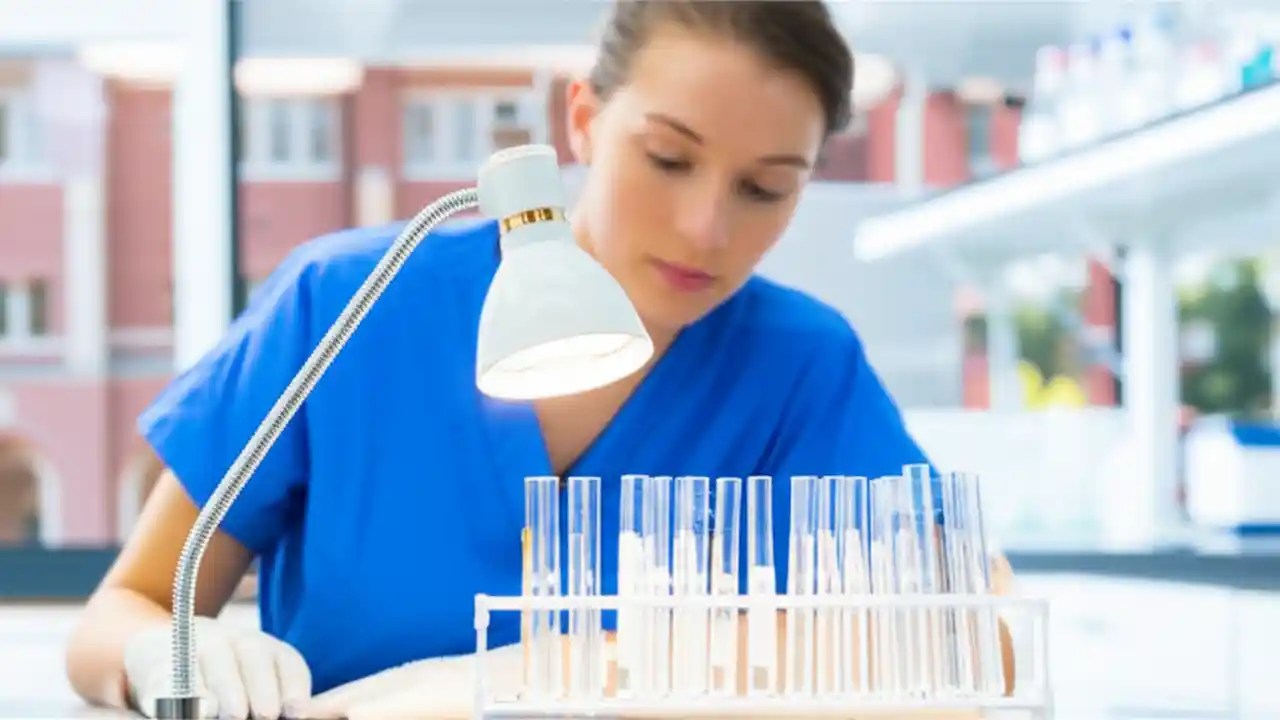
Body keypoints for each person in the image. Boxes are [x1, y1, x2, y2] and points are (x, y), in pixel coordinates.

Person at [65, 2, 1015, 718]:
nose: (706, 227)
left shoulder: (798, 368)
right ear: (584, 120)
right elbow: (123, 611)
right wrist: (165, 656)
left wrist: (517, 680)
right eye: (669, 159)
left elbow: (976, 631)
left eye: (765, 189)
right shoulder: (349, 303)